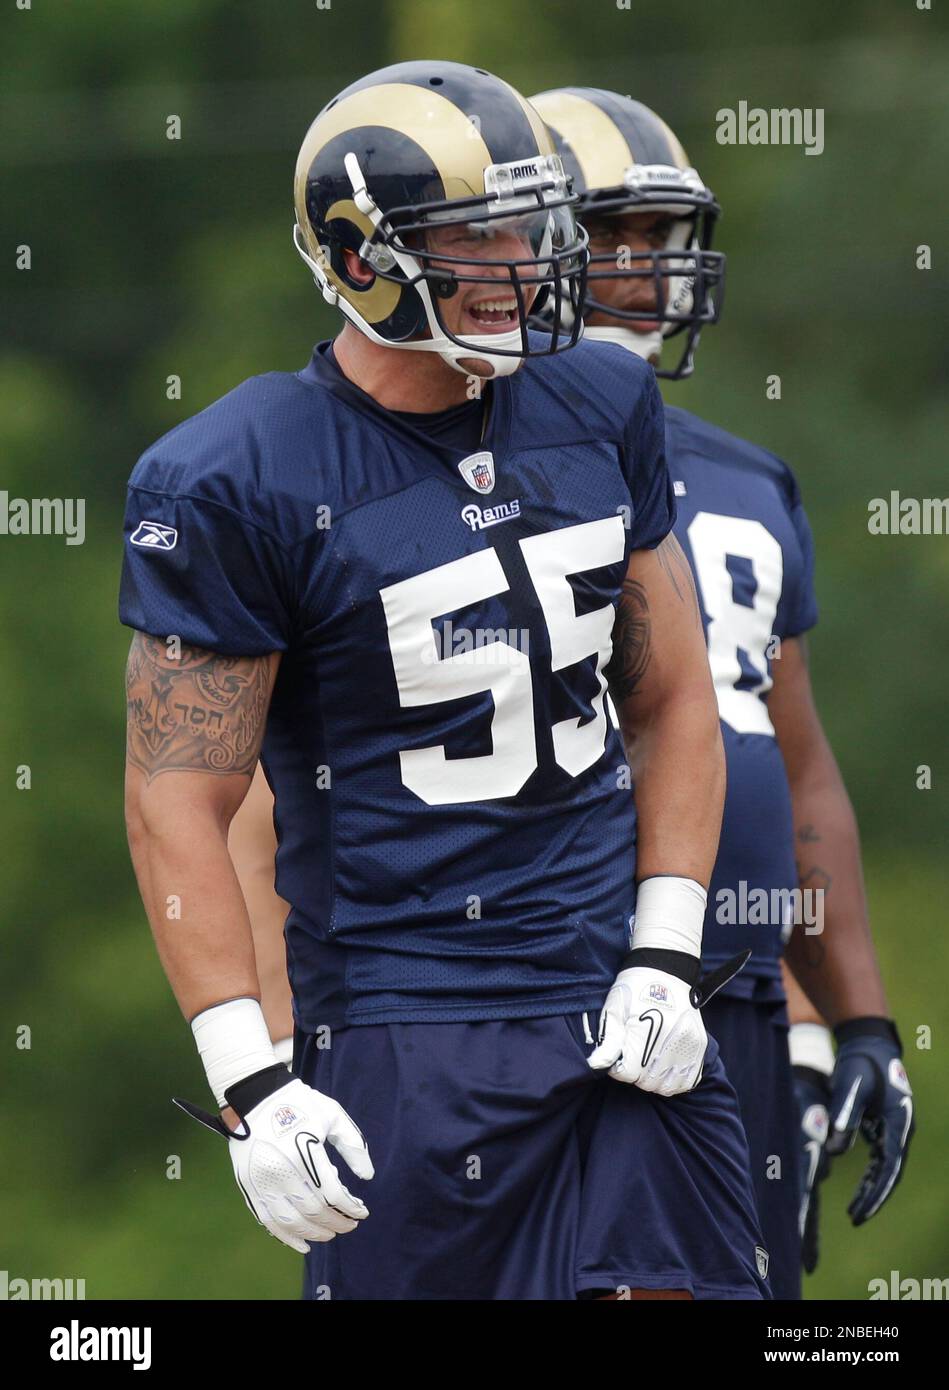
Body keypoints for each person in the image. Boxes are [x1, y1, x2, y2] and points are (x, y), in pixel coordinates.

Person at [122, 60, 768, 1301]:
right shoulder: (240, 474)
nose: (531, 261)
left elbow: (674, 697)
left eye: (537, 223)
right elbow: (176, 802)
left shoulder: (598, 399)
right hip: (409, 1031)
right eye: (484, 234)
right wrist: (250, 1079)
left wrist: (665, 949)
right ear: (362, 258)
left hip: (613, 1002)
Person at [527, 85, 915, 1298]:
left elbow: (786, 764)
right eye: (609, 236)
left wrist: (849, 1018)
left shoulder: (749, 480)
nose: (643, 270)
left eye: (660, 237)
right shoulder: (451, 471)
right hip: (531, 982)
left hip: (729, 991)